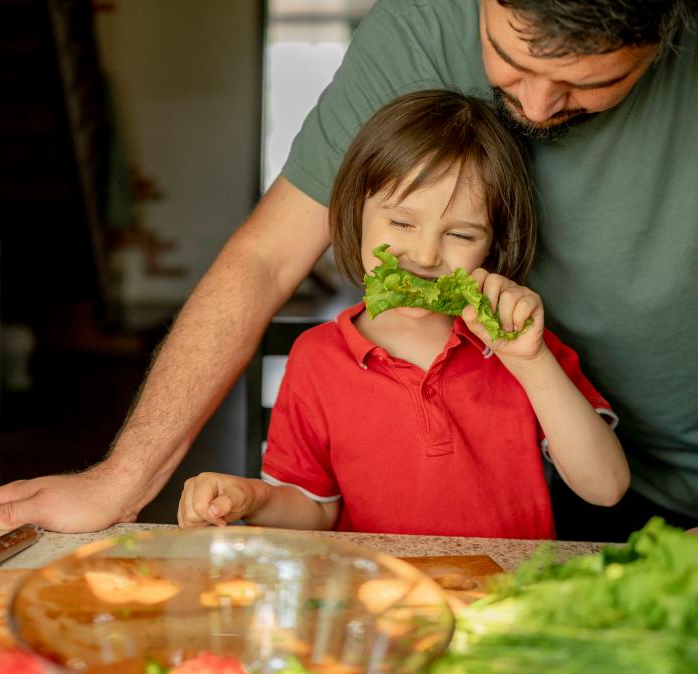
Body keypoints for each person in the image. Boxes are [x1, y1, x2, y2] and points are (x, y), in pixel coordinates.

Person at [0, 0, 698, 542]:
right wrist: (123, 479)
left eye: (588, 85)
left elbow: (589, 472)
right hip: (595, 517)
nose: (534, 111)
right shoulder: (421, 22)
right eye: (513, 59)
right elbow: (265, 259)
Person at [175, 91, 628, 536]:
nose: (426, 254)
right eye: (402, 223)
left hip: (508, 599)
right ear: (356, 215)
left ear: (496, 242)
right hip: (376, 597)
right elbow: (315, 510)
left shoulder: (522, 342)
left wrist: (530, 363)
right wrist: (251, 499)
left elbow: (606, 489)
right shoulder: (316, 358)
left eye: (462, 235)